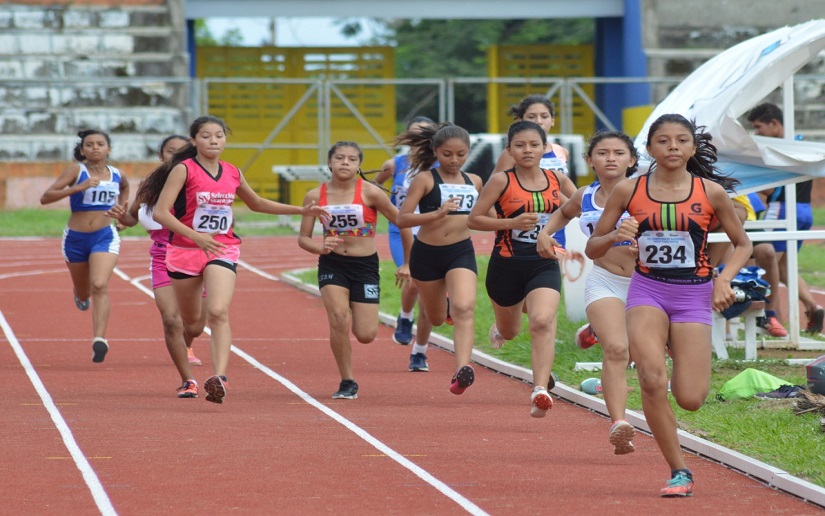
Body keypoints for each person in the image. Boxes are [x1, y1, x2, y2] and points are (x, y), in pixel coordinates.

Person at [586, 114, 752, 497]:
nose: (672, 147)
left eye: (681, 140)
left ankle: (675, 347)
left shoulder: (710, 192)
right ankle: (679, 471)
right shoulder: (628, 190)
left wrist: (723, 279)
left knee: (691, 398)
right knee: (650, 377)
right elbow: (594, 249)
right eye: (663, 141)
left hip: (693, 295)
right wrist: (614, 233)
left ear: (693, 148)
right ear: (649, 149)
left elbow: (742, 243)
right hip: (648, 291)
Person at [144, 115, 328, 404]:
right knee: (191, 323)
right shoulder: (183, 170)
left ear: (226, 140)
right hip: (184, 251)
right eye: (206, 136)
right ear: (194, 140)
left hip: (222, 248)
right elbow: (161, 213)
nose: (214, 140)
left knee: (218, 311)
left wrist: (303, 210)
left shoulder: (232, 172)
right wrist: (196, 236)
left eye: (219, 135)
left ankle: (219, 377)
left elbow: (257, 203)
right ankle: (188, 367)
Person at [537, 130, 639, 450]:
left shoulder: (644, 193)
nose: (611, 158)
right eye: (603, 152)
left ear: (632, 160)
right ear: (589, 160)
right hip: (605, 280)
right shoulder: (584, 195)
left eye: (619, 153)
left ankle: (594, 332)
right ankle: (619, 422)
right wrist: (546, 234)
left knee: (642, 355)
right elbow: (563, 213)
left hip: (645, 284)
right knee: (617, 351)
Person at [467, 120, 574, 417]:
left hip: (543, 262)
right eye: (520, 145)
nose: (527, 150)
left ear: (544, 148)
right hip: (506, 265)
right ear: (510, 150)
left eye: (534, 145)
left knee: (541, 320)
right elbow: (474, 220)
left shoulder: (557, 180)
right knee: (511, 331)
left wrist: (550, 231)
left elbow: (576, 207)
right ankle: (500, 327)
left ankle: (540, 388)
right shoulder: (502, 181)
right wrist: (510, 223)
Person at [298, 141, 406, 399]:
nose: (345, 162)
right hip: (332, 263)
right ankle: (347, 381)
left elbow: (403, 222)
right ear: (330, 163)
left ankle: (356, 319)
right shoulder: (315, 196)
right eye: (340, 158)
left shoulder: (371, 193)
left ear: (359, 165)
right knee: (338, 318)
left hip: (365, 266)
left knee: (366, 334)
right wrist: (320, 247)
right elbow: (303, 237)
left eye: (352, 159)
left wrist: (408, 262)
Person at [106, 134, 207, 398]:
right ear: (161, 156)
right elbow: (132, 217)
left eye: (181, 151)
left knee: (194, 326)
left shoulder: (198, 181)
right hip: (163, 255)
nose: (175, 156)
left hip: (196, 253)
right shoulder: (150, 185)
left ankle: (187, 345)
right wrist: (122, 216)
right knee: (171, 320)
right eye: (169, 151)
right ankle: (188, 380)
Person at [395, 122, 483, 395]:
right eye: (447, 154)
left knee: (465, 308)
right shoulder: (425, 179)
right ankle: (438, 309)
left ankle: (462, 369)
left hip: (460, 252)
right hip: (428, 254)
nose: (454, 160)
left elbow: (482, 216)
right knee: (434, 317)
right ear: (435, 151)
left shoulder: (475, 181)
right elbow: (402, 218)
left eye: (461, 154)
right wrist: (436, 213)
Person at [40, 129, 130, 363]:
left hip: (104, 236)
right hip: (76, 238)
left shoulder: (117, 174)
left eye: (100, 144)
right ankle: (80, 296)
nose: (95, 148)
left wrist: (121, 212)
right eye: (89, 145)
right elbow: (46, 197)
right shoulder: (76, 171)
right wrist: (79, 188)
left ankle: (99, 339)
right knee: (84, 291)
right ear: (82, 150)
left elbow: (125, 189)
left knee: (100, 284)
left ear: (109, 149)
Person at [747, 102, 823, 334]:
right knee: (784, 266)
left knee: (765, 259)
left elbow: (772, 190)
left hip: (782, 209)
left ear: (774, 124)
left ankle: (772, 318)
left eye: (759, 127)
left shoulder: (780, 148)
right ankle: (812, 305)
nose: (757, 133)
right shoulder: (801, 144)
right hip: (804, 210)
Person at [374, 117, 435, 372]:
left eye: (424, 137)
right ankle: (406, 317)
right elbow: (374, 185)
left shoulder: (439, 166)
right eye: (414, 136)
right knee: (415, 280)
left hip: (432, 232)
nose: (418, 142)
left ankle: (420, 352)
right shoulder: (394, 164)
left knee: (428, 294)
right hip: (401, 230)